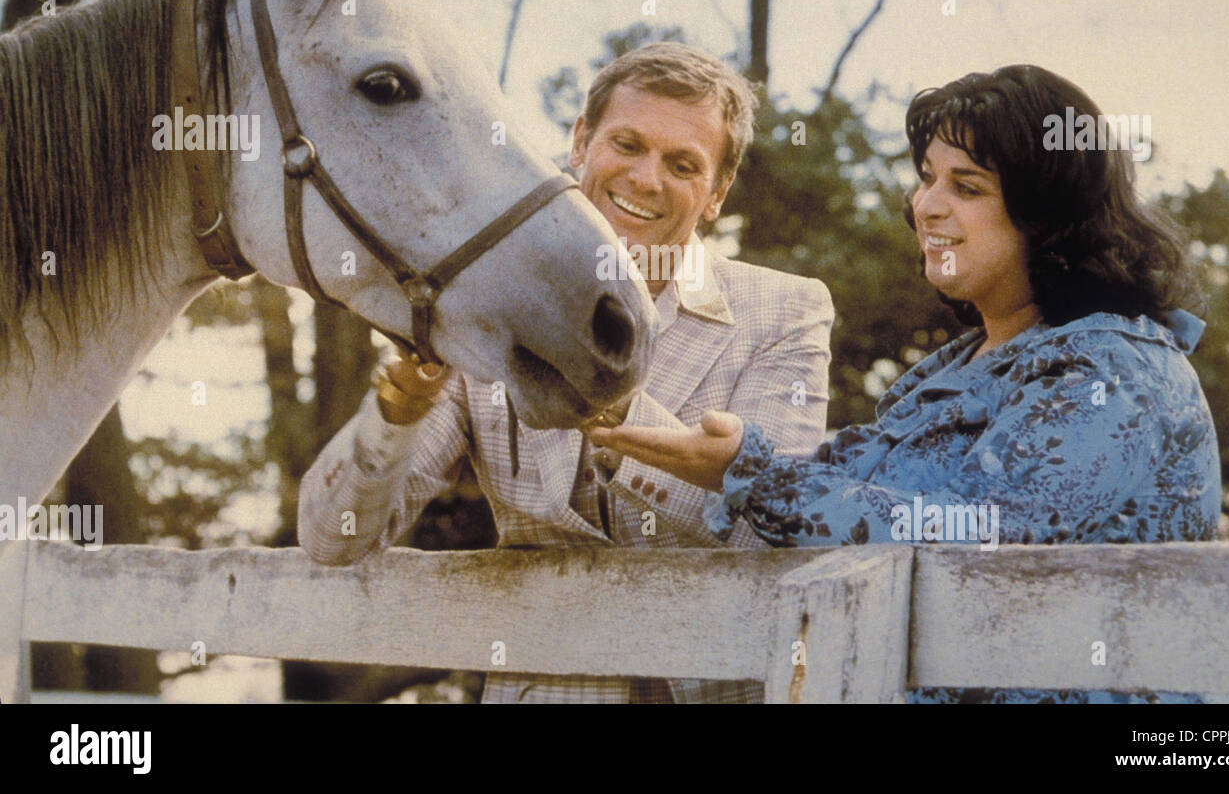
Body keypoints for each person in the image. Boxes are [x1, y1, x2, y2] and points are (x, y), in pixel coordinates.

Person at [591, 64, 1224, 703]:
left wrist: (750, 472)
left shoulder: (1114, 370)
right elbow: (833, 483)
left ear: (1048, 217)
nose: (927, 205)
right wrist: (701, 454)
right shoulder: (948, 373)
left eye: (967, 187)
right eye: (927, 178)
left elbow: (973, 537)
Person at [298, 42, 835, 703]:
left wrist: (614, 406)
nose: (645, 177)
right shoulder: (487, 306)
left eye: (683, 164)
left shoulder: (788, 311)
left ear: (717, 193)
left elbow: (776, 528)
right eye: (628, 143)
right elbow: (332, 537)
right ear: (581, 142)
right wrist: (397, 409)